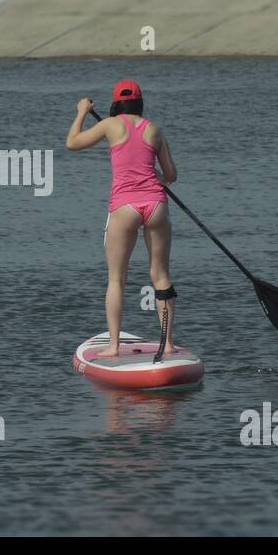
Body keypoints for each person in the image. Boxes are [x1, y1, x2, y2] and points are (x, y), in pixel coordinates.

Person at [65, 79, 179, 358]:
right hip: (156, 205)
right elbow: (171, 175)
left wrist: (81, 111)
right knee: (161, 275)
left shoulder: (110, 125)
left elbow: (72, 143)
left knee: (117, 279)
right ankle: (170, 344)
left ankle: (114, 346)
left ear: (117, 103)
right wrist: (154, 182)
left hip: (124, 208)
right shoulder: (154, 129)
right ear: (140, 102)